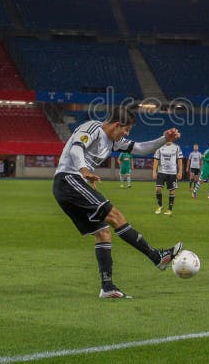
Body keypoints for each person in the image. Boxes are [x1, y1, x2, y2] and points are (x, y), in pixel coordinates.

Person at [53, 105, 183, 299]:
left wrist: (164, 139)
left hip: (72, 184)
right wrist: (84, 170)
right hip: (68, 180)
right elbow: (76, 149)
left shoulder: (113, 141)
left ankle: (107, 287)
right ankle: (157, 257)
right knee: (115, 216)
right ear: (116, 125)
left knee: (103, 233)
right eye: (126, 129)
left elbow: (140, 148)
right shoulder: (92, 128)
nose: (126, 134)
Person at [152, 140, 183, 215]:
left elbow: (179, 160)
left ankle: (169, 209)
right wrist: (154, 171)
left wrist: (180, 171)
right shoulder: (159, 147)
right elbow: (156, 159)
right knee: (158, 189)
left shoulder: (177, 147)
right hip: (161, 172)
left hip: (172, 173)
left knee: (171, 191)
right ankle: (160, 206)